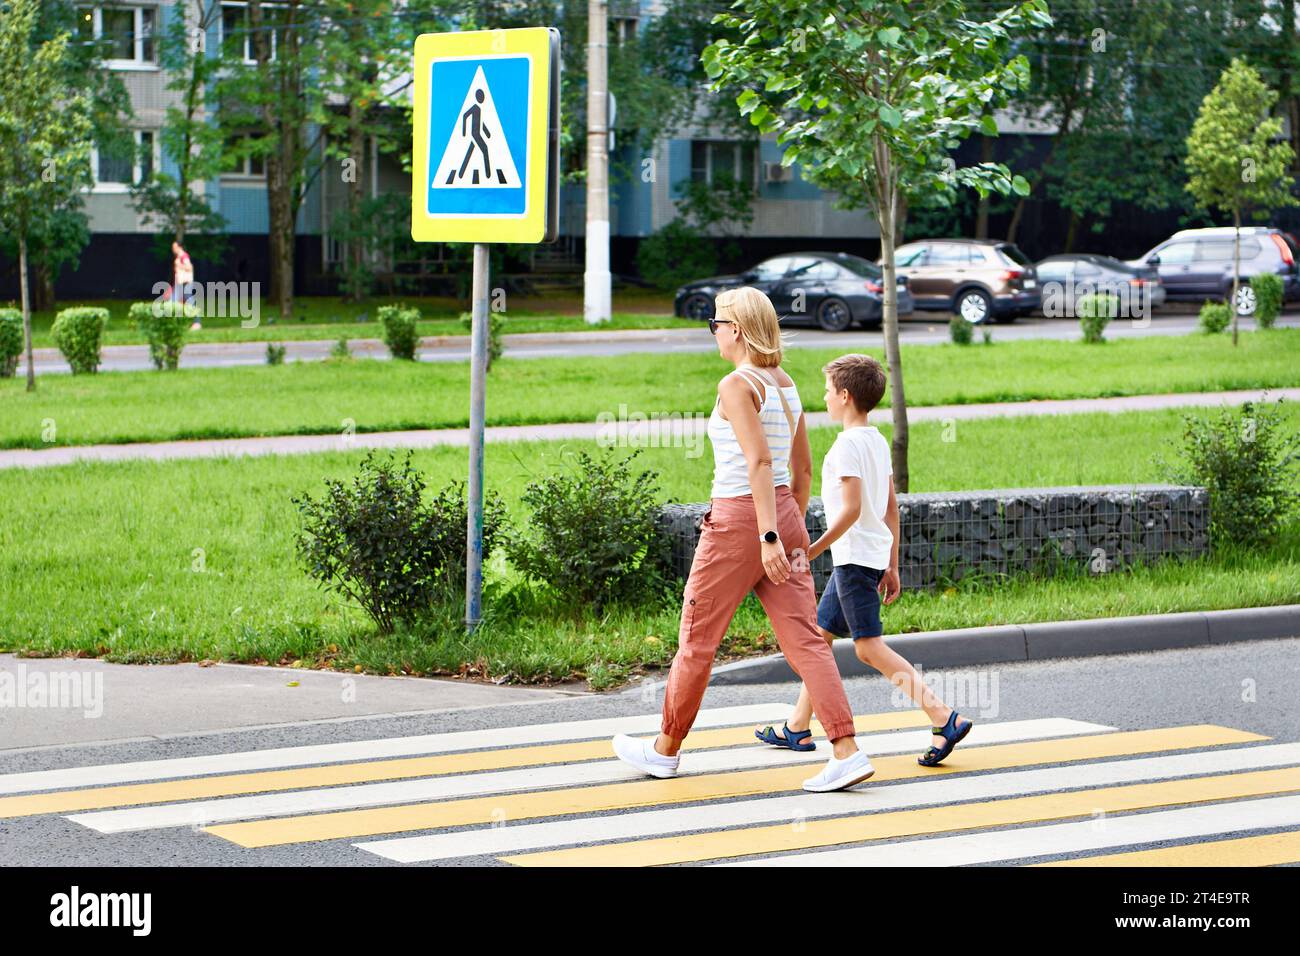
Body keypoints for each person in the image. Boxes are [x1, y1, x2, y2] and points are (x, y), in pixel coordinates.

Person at [612, 287, 876, 793]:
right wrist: (787, 525)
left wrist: (768, 536)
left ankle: (665, 750)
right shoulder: (785, 384)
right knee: (806, 643)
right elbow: (800, 469)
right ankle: (846, 750)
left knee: (697, 641)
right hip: (781, 514)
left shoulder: (737, 384)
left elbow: (757, 462)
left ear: (735, 329)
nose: (714, 333)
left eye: (715, 325)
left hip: (741, 523)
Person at [755, 353, 973, 767]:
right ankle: (797, 727)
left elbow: (852, 509)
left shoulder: (846, 446)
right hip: (865, 557)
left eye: (827, 390)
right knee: (820, 640)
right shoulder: (875, 440)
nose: (824, 397)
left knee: (869, 649)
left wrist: (811, 549)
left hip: (853, 560)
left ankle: (943, 716)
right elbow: (890, 509)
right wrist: (892, 564)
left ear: (844, 395)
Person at [172, 241, 199, 329]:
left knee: (189, 302)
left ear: (180, 247)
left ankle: (197, 323)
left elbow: (189, 267)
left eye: (174, 247)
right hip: (181, 283)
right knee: (179, 303)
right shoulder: (179, 256)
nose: (173, 249)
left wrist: (179, 265)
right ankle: (180, 324)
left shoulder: (184, 256)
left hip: (186, 283)